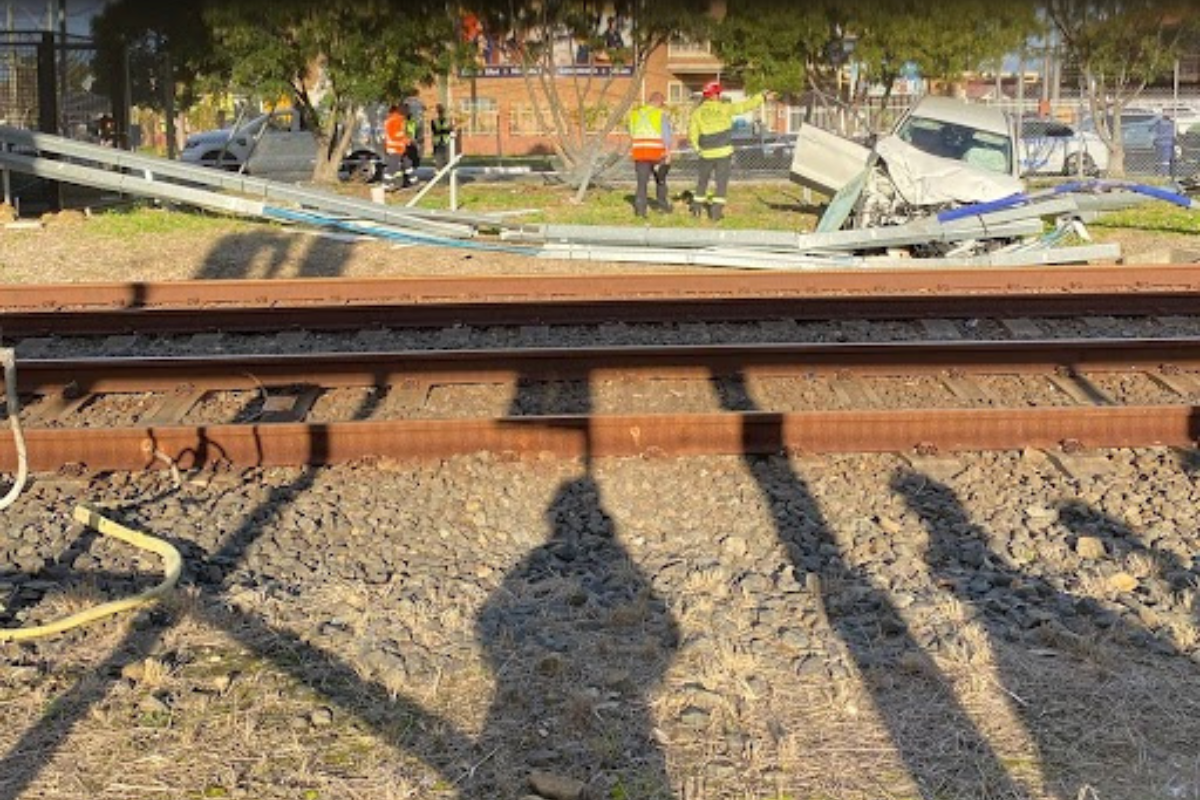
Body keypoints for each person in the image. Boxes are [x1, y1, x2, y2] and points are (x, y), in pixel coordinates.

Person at [687, 82, 769, 221]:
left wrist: (697, 149)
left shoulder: (697, 112)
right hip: (723, 152)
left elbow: (692, 133)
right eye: (718, 93)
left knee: (702, 181)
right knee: (721, 183)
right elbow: (745, 106)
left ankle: (696, 209)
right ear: (716, 95)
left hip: (706, 153)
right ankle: (716, 213)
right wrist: (761, 97)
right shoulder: (725, 108)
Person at [628, 91, 672, 217]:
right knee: (660, 180)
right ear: (659, 102)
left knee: (642, 183)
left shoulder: (635, 114)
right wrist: (668, 152)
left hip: (640, 153)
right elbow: (666, 135)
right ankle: (662, 207)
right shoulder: (660, 114)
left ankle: (640, 211)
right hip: (657, 153)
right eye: (662, 104)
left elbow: (632, 132)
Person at [383, 104, 416, 189]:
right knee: (392, 167)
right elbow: (395, 134)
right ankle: (386, 184)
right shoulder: (397, 120)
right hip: (396, 148)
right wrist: (406, 139)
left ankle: (414, 181)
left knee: (407, 163)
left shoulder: (393, 119)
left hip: (398, 147)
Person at [430, 104, 455, 171]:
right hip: (441, 141)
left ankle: (440, 169)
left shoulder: (436, 121)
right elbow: (450, 130)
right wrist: (446, 130)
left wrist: (444, 130)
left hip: (442, 140)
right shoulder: (436, 121)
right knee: (441, 157)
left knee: (441, 157)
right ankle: (440, 169)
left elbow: (435, 130)